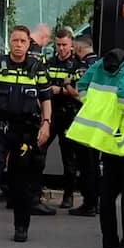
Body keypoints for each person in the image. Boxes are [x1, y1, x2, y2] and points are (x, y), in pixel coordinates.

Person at [66, 30, 124, 248]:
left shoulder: (105, 61)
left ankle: (109, 241)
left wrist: (99, 111)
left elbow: (82, 86)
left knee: (108, 191)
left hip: (104, 136)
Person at [0, 26, 52, 244]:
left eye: (22, 41)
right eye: (15, 40)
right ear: (9, 42)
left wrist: (46, 123)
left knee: (21, 182)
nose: (18, 44)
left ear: (28, 44)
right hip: (0, 128)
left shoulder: (37, 67)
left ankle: (21, 227)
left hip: (26, 132)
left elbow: (45, 99)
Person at [43, 27, 81, 210]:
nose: (61, 48)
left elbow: (81, 92)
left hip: (69, 114)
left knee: (69, 158)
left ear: (71, 44)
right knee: (38, 151)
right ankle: (35, 191)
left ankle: (68, 195)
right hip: (50, 113)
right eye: (58, 45)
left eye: (64, 45)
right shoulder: (48, 63)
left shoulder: (77, 65)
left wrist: (62, 90)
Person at [66, 34, 100, 217]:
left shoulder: (83, 67)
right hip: (98, 122)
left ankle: (89, 203)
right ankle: (96, 201)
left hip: (84, 121)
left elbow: (80, 93)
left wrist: (67, 87)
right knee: (94, 163)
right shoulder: (101, 64)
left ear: (79, 49)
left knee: (86, 164)